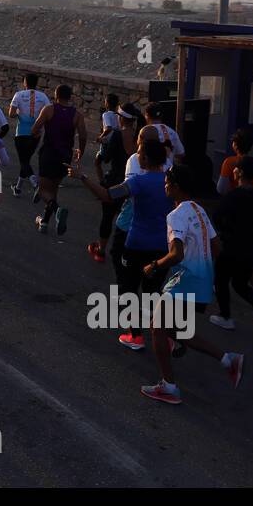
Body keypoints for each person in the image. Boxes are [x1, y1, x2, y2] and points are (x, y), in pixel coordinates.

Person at [136, 165, 244, 405]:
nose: (164, 186)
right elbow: (217, 248)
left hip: (184, 278)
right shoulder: (199, 210)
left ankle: (168, 386)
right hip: (202, 279)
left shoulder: (175, 216)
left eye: (166, 182)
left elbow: (176, 254)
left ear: (175, 186)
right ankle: (228, 360)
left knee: (157, 328)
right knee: (176, 331)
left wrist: (154, 265)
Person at [74, 127, 173, 352]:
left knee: (127, 289)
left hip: (136, 244)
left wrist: (83, 177)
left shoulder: (138, 182)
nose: (137, 155)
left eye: (139, 151)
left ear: (145, 158)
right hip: (161, 247)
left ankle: (135, 335)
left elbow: (108, 195)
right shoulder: (170, 181)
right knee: (153, 292)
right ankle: (164, 335)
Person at [209, 156, 253, 332]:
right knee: (240, 283)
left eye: (236, 168)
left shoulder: (233, 196)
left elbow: (216, 216)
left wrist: (225, 229)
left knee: (221, 279)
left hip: (232, 247)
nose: (234, 170)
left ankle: (225, 316)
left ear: (241, 173)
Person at [30, 84, 88, 238]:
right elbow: (83, 135)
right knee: (53, 190)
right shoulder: (77, 115)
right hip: (64, 156)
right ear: (70, 97)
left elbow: (35, 129)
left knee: (43, 190)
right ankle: (44, 222)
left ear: (56, 95)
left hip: (48, 154)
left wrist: (36, 134)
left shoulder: (49, 109)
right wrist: (80, 151)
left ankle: (57, 210)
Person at [88, 98, 135, 263]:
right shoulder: (139, 134)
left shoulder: (117, 135)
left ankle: (101, 250)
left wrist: (100, 154)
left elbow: (106, 158)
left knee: (107, 216)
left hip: (115, 180)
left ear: (121, 118)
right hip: (133, 182)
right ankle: (127, 250)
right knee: (128, 217)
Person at [8, 73, 49, 198]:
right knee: (25, 160)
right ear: (36, 83)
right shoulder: (43, 96)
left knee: (24, 161)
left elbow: (11, 114)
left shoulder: (18, 95)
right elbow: (48, 112)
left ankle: (35, 184)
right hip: (36, 133)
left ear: (25, 82)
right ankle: (18, 188)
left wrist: (20, 115)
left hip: (21, 132)